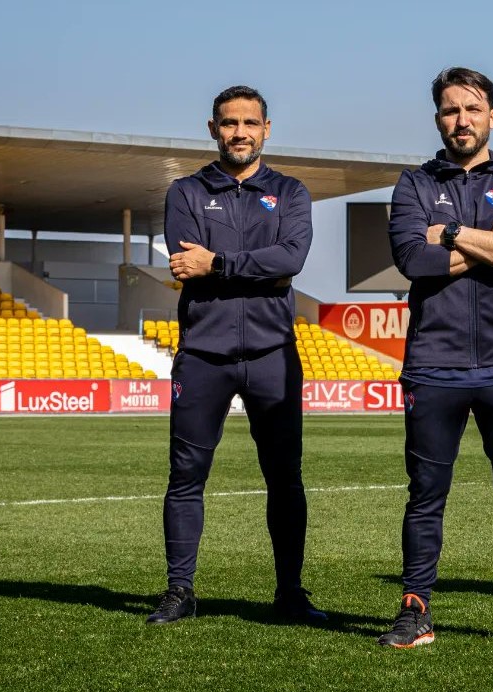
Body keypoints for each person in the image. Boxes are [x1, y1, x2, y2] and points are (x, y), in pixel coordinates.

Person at [377, 67, 493, 648]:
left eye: (473, 109)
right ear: (438, 119)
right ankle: (415, 609)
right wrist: (490, 242)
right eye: (451, 110)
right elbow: (413, 261)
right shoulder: (413, 184)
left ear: (492, 117)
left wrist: (449, 233)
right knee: (425, 495)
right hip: (434, 364)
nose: (462, 120)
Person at [148, 85, 325, 625]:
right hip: (204, 355)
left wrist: (219, 264)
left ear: (266, 129)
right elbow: (186, 263)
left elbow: (290, 260)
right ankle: (180, 590)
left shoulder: (290, 192)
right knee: (186, 475)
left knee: (285, 478)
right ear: (213, 129)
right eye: (229, 123)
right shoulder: (185, 192)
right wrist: (255, 267)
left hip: (273, 355)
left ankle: (290, 593)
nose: (240, 132)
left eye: (250, 123)